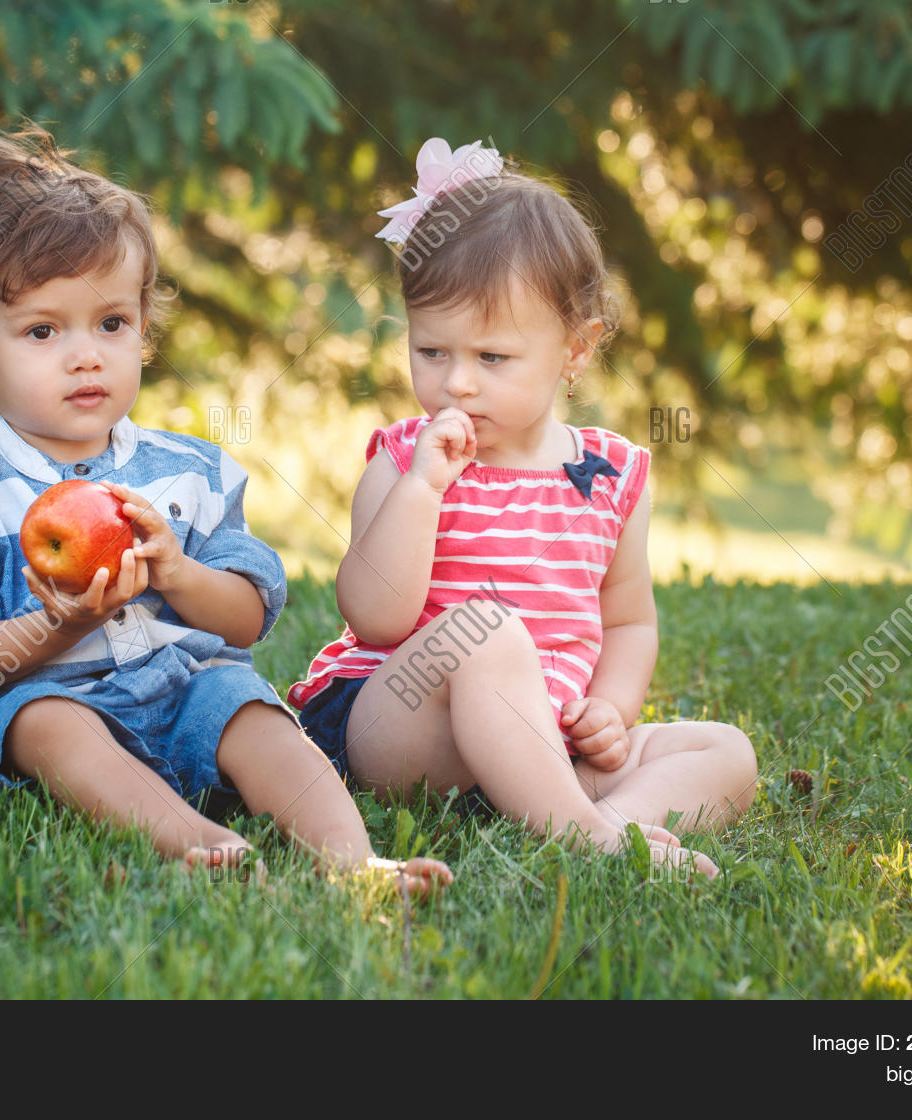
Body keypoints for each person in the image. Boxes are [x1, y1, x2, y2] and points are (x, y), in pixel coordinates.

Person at [0, 126, 450, 893]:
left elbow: (246, 620)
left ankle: (354, 861)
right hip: (46, 706)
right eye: (43, 330)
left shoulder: (192, 471)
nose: (86, 355)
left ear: (144, 331)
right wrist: (62, 625)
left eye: (111, 324)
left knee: (248, 703)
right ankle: (196, 842)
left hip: (182, 695)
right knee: (44, 720)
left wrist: (178, 573)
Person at [288, 139, 758, 878]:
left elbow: (629, 620)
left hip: (547, 741)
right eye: (432, 352)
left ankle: (593, 820)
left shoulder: (611, 474)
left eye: (492, 358)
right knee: (487, 628)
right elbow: (375, 616)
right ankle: (590, 839)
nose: (457, 386)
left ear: (576, 349)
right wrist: (421, 491)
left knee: (725, 751)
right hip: (400, 726)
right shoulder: (403, 457)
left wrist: (610, 707)